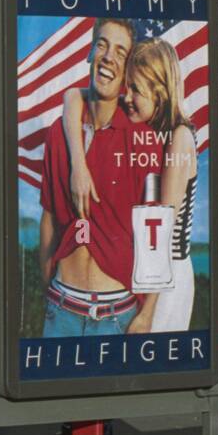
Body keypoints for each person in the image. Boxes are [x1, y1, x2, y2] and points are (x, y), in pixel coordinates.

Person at [58, 38, 198, 333]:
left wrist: (147, 313)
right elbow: (73, 96)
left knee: (153, 370)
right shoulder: (146, 121)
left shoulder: (178, 137)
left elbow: (164, 233)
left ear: (160, 93)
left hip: (165, 279)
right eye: (127, 86)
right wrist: (78, 165)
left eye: (136, 89)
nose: (127, 96)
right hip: (144, 273)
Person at [38, 19, 161, 337]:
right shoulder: (59, 132)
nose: (108, 56)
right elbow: (49, 216)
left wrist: (147, 314)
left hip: (117, 315)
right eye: (103, 45)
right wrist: (45, 286)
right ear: (90, 52)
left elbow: (154, 236)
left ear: (128, 70)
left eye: (121, 52)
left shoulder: (140, 138)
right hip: (60, 307)